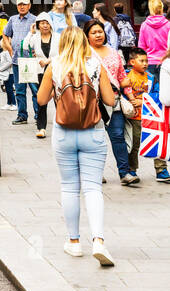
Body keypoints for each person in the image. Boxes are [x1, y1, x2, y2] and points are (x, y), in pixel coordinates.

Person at [36, 25, 117, 266]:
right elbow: (111, 100)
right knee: (93, 188)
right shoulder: (94, 64)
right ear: (84, 42)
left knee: (70, 187)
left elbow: (41, 100)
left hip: (63, 133)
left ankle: (74, 243)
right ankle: (99, 241)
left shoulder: (56, 65)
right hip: (93, 132)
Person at [86, 19, 136, 185]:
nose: (98, 35)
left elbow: (122, 76)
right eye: (93, 32)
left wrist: (130, 96)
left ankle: (124, 173)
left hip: (114, 100)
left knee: (118, 136)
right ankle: (95, 173)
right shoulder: (84, 54)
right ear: (87, 36)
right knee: (94, 139)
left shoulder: (114, 52)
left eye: (100, 31)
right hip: (92, 102)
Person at [121, 47, 168, 183]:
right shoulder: (126, 76)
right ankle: (132, 169)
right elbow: (122, 91)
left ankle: (161, 170)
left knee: (156, 141)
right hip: (134, 118)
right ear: (132, 62)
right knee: (134, 144)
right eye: (141, 61)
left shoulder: (151, 77)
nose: (145, 63)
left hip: (150, 116)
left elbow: (158, 94)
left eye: (146, 61)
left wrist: (142, 101)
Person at [3, 0, 38, 125]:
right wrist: (9, 48)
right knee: (19, 90)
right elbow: (5, 34)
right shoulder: (12, 19)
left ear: (29, 5)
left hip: (31, 61)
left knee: (35, 89)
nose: (22, 7)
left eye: (24, 4)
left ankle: (38, 115)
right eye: (19, 5)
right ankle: (22, 115)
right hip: (17, 60)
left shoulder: (35, 19)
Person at [24, 13, 58, 138]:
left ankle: (61, 125)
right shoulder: (35, 37)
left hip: (56, 71)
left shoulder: (57, 37)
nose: (45, 25)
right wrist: (30, 32)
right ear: (38, 25)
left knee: (58, 98)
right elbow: (25, 46)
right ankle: (41, 127)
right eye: (42, 23)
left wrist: (48, 61)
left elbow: (62, 53)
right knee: (41, 99)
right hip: (40, 72)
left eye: (47, 22)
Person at [138, 0, 170, 91]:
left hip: (150, 62)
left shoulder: (144, 25)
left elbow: (141, 47)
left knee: (151, 90)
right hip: (166, 62)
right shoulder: (168, 24)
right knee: (167, 90)